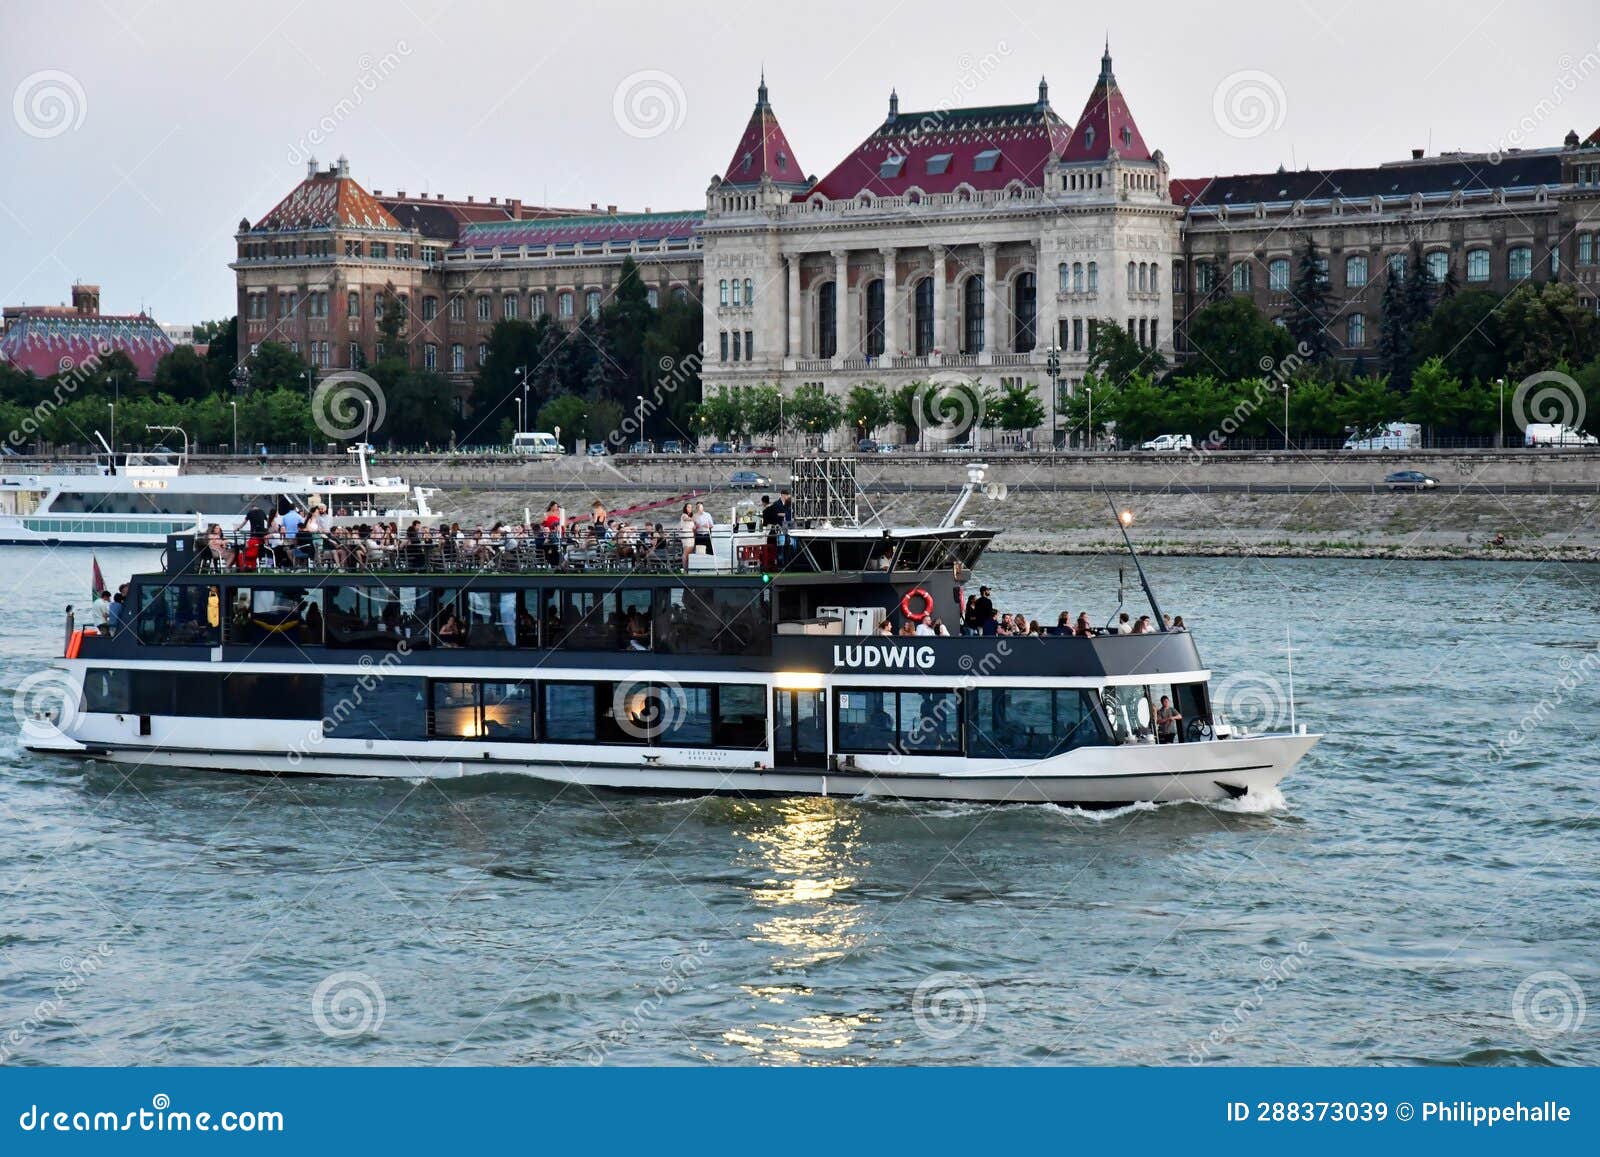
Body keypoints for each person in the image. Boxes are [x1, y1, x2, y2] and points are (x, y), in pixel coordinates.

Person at [678, 503, 696, 567]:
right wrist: (693, 518)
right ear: (685, 508)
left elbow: (694, 527)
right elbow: (686, 519)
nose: (690, 508)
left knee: (689, 553)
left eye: (691, 507)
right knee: (686, 552)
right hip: (686, 534)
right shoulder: (684, 515)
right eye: (688, 507)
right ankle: (684, 569)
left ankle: (688, 568)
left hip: (691, 535)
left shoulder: (691, 517)